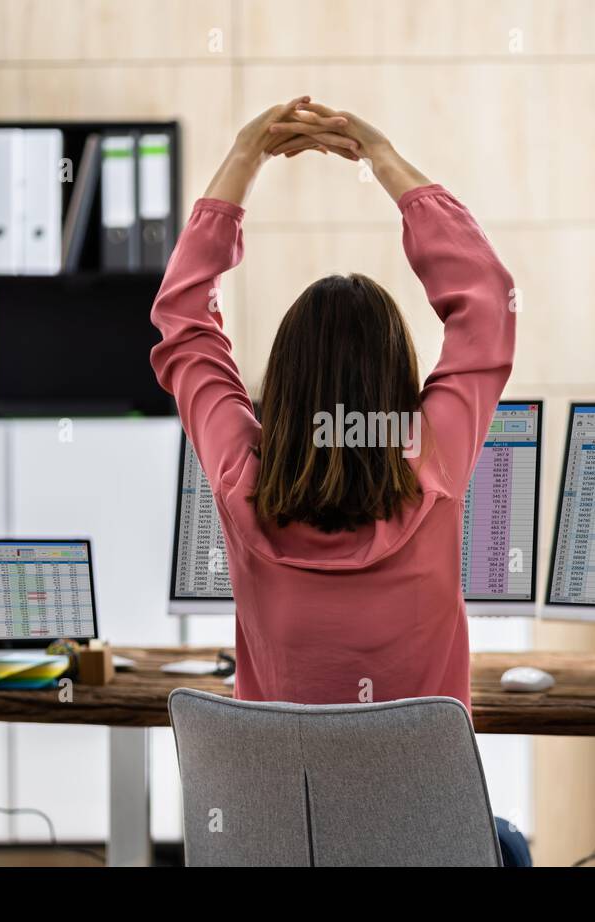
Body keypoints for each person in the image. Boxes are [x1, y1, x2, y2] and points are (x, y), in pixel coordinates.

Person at [150, 97, 527, 864]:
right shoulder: (436, 466)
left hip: (280, 849)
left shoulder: (239, 480)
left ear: (280, 388)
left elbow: (184, 321)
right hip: (425, 849)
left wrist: (243, 159)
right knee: (508, 844)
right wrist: (385, 162)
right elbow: (486, 301)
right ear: (401, 388)